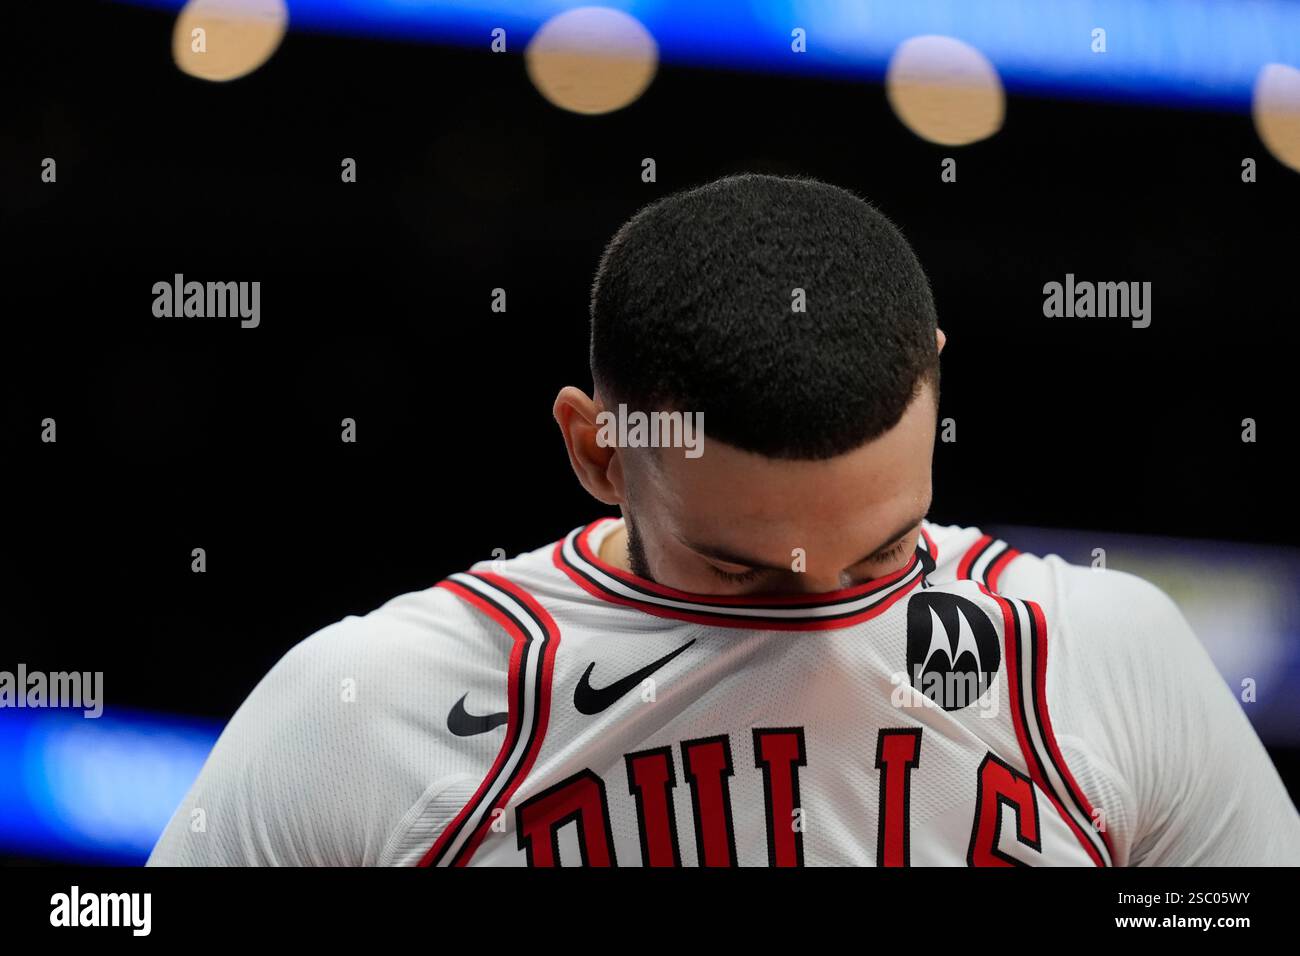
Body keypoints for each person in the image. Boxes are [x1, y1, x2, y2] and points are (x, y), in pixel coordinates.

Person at [148, 173, 1300, 866]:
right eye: (744, 569)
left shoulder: (1105, 654)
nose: (829, 607)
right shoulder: (366, 705)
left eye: (884, 551)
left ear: (935, 389)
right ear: (599, 449)